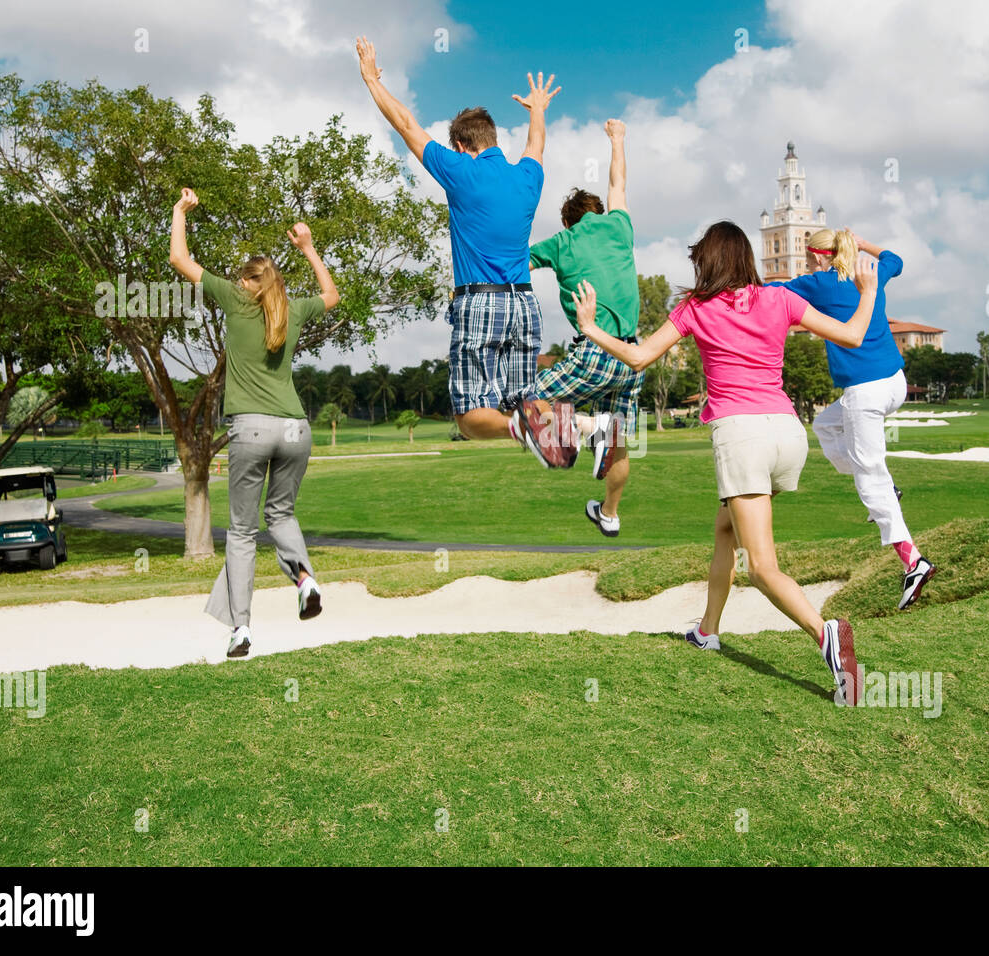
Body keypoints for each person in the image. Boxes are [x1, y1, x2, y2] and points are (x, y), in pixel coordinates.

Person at [569, 221, 879, 704]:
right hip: (787, 434)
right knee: (725, 530)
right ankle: (708, 630)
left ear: (709, 261)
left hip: (742, 437)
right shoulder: (780, 298)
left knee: (762, 567)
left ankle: (827, 634)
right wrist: (868, 290)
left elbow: (638, 358)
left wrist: (589, 328)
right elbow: (854, 336)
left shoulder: (696, 307)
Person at [355, 35, 567, 466]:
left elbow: (407, 126)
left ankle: (519, 428)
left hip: (480, 302)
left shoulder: (460, 171)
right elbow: (536, 147)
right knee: (523, 398)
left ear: (462, 147)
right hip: (525, 304)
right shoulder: (527, 177)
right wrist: (539, 110)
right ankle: (568, 426)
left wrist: (372, 81)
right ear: (492, 139)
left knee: (469, 418)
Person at [168, 187, 339, 659]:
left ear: (248, 282)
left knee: (242, 532)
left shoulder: (235, 300)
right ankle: (304, 579)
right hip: (296, 431)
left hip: (252, 430)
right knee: (280, 515)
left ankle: (240, 630)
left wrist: (182, 210)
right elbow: (332, 293)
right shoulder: (294, 307)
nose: (237, 283)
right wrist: (307, 247)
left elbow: (179, 258)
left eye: (242, 279)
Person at [770, 229, 936, 610]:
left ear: (818, 257)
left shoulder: (820, 283)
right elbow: (897, 257)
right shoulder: (870, 271)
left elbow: (773, 290)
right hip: (894, 382)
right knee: (825, 426)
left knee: (869, 474)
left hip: (866, 393)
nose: (808, 262)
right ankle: (885, 494)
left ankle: (913, 561)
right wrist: (863, 244)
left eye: (810, 256)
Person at [526, 118, 642, 537]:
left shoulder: (562, 242)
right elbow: (619, 183)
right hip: (633, 357)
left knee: (527, 399)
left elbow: (515, 263)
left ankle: (586, 427)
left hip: (596, 352)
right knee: (621, 443)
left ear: (568, 222)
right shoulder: (620, 226)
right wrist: (617, 139)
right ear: (599, 213)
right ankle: (609, 513)